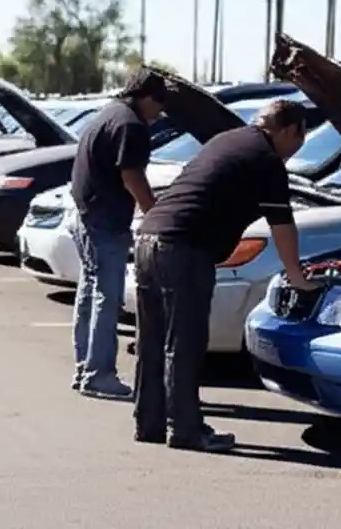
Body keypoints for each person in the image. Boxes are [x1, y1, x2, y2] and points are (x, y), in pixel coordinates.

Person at [131, 99, 317, 452]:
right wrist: (297, 276)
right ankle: (186, 429)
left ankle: (149, 422)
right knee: (184, 342)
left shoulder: (226, 140)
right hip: (183, 249)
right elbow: (282, 225)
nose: (294, 151)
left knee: (152, 339)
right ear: (291, 130)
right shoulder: (266, 159)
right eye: (298, 140)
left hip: (148, 239)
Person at [69, 68, 163, 400]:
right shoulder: (130, 125)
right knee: (107, 297)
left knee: (90, 294)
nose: (160, 112)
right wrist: (155, 212)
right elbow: (132, 176)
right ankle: (99, 375)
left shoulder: (107, 114)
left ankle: (85, 369)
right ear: (146, 97)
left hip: (85, 214)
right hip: (104, 221)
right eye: (159, 103)